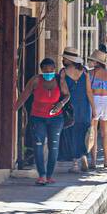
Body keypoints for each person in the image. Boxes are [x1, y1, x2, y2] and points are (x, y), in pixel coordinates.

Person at [16, 57, 70, 186]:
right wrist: (14, 109)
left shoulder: (59, 80)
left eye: (51, 70)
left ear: (54, 69)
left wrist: (60, 104)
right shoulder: (36, 80)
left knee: (54, 146)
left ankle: (50, 175)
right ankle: (42, 175)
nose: (48, 73)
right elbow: (24, 95)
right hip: (37, 118)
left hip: (56, 118)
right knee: (38, 145)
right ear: (41, 70)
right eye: (45, 71)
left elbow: (67, 95)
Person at [59, 47, 94, 175]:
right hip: (84, 106)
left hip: (70, 107)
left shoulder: (63, 72)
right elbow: (89, 92)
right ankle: (84, 156)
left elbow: (63, 91)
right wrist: (93, 109)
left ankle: (75, 164)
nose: (62, 60)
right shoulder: (84, 72)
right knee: (83, 132)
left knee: (71, 134)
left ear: (68, 59)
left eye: (64, 58)